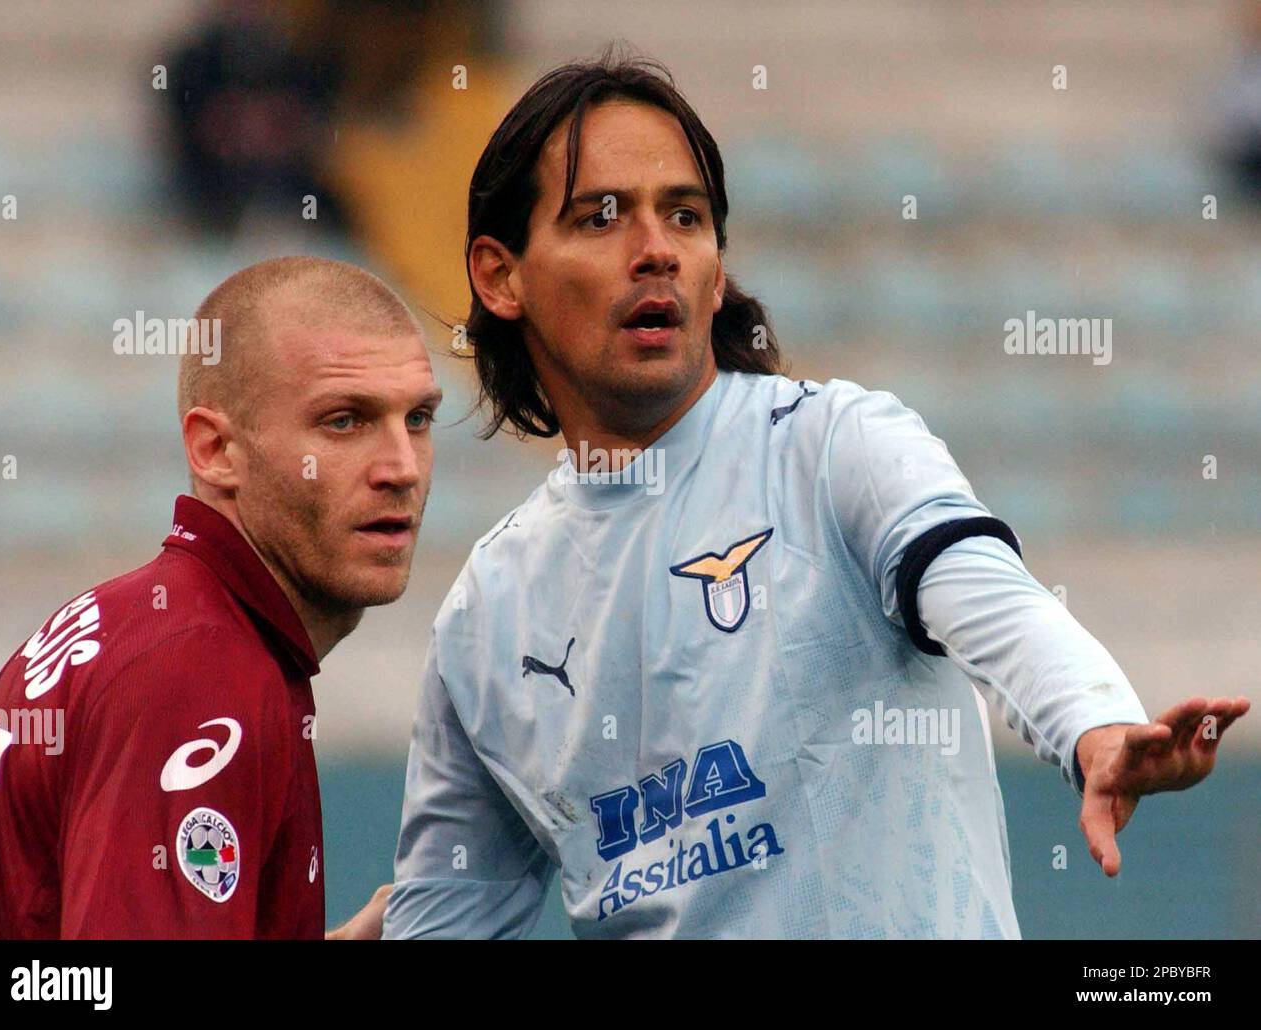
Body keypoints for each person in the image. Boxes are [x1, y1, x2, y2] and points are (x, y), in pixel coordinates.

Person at [380, 54, 1249, 940]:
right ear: (499, 276)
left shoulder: (835, 447)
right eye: (601, 216)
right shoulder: (485, 620)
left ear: (716, 273)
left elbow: (991, 596)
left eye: (685, 215)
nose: (655, 249)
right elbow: (446, 919)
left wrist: (1093, 724)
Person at [0, 256, 439, 939]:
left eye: (417, 418)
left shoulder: (159, 626)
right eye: (344, 422)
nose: (402, 468)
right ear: (216, 449)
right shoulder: (194, 674)